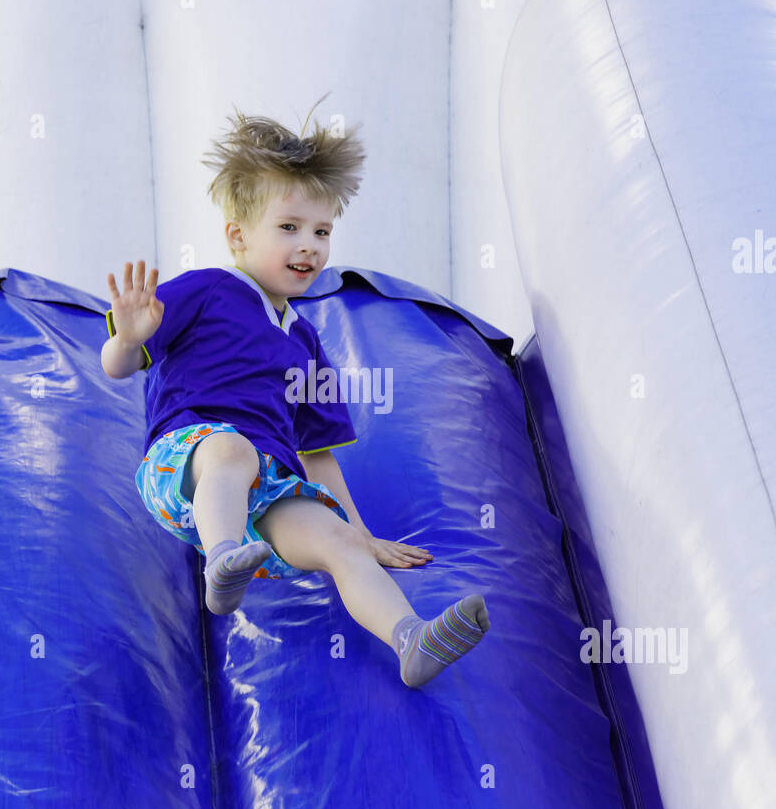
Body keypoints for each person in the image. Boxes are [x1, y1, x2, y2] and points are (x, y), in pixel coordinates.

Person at [100, 101, 488, 688]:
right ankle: (222, 558)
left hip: (268, 489)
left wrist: (361, 532)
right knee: (232, 450)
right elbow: (118, 366)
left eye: (322, 231)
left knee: (336, 540)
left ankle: (410, 639)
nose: (309, 245)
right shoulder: (207, 291)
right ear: (237, 235)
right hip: (184, 465)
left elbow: (318, 453)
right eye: (289, 228)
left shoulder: (305, 342)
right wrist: (127, 337)